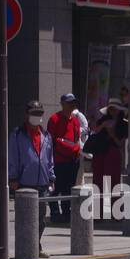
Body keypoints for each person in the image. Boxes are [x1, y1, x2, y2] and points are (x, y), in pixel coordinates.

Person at [8, 100, 56, 259]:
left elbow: (50, 159)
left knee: (41, 218)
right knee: (25, 219)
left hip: (42, 183)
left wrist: (51, 177)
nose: (36, 117)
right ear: (27, 115)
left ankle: (36, 244)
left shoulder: (46, 135)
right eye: (33, 114)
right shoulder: (17, 135)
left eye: (39, 114)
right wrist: (13, 177)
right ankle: (27, 247)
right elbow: (12, 157)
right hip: (24, 182)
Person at [47, 94, 83, 224]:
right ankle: (55, 213)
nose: (72, 105)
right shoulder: (54, 119)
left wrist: (76, 152)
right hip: (58, 161)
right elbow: (51, 141)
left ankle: (67, 213)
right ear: (62, 103)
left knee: (69, 189)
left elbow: (76, 139)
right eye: (69, 102)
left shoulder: (75, 121)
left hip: (72, 160)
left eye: (73, 102)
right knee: (55, 189)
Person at [88, 99, 128, 196]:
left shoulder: (124, 124)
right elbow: (94, 133)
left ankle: (116, 209)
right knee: (97, 183)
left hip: (113, 153)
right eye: (111, 109)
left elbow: (120, 144)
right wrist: (103, 126)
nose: (113, 111)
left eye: (115, 109)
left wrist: (112, 134)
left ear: (119, 110)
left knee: (114, 183)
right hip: (99, 153)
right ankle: (98, 210)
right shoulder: (101, 121)